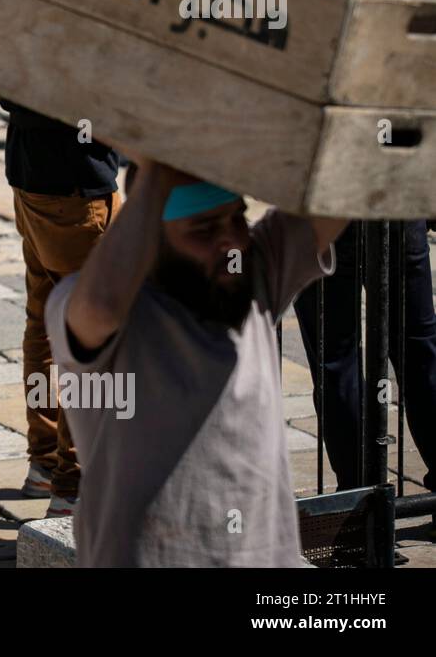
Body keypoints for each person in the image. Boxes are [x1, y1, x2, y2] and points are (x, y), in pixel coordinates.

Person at [48, 159, 348, 566]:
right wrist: (158, 159)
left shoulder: (253, 278)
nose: (230, 242)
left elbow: (341, 186)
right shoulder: (96, 306)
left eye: (237, 219)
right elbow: (99, 309)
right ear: (150, 239)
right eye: (203, 230)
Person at [281, 0, 436, 491]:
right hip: (397, 196)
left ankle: (362, 502)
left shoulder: (298, 3)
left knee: (337, 353)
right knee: (419, 345)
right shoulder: (408, 1)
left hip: (327, 201)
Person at [1, 0, 122, 518]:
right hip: (76, 184)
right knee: (85, 333)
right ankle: (73, 480)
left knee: (45, 323)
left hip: (31, 173)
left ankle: (46, 463)